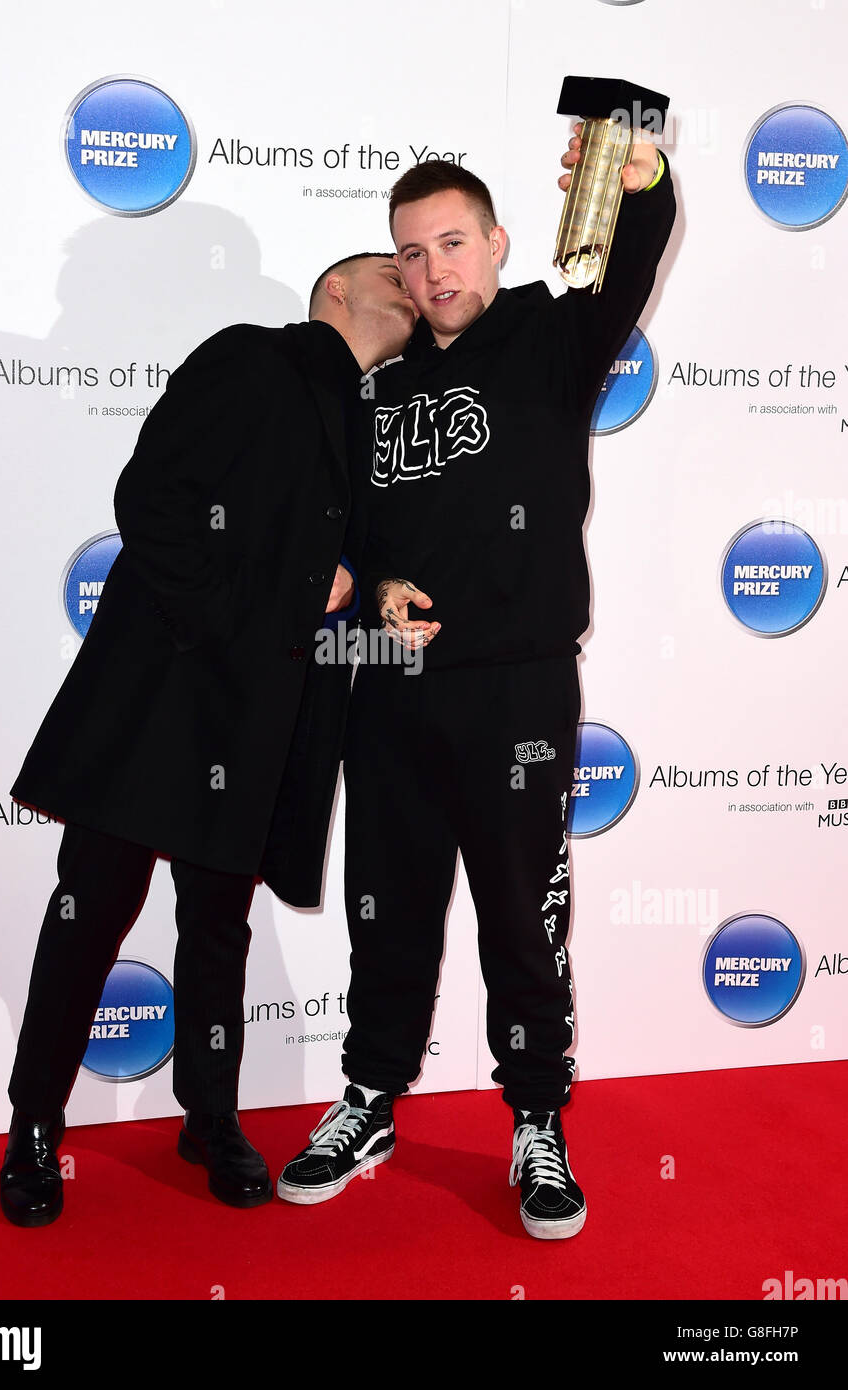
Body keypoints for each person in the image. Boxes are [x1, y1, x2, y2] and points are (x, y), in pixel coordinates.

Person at [277, 126, 676, 1238]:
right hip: (391, 689)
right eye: (409, 254)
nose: (432, 269)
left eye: (452, 242)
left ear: (497, 245)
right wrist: (367, 588)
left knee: (520, 916)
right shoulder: (374, 381)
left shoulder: (553, 334)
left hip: (516, 689)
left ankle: (536, 1118)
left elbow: (631, 254)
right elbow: (345, 533)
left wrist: (641, 186)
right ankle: (369, 1098)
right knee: (385, 914)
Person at [0, 253, 417, 1226]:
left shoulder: (373, 418)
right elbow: (150, 501)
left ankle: (211, 1118)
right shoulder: (250, 358)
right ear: (333, 296)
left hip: (261, 719)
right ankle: (32, 1125)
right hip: (161, 697)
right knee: (89, 911)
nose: (408, 281)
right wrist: (265, 604)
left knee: (218, 928)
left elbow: (355, 564)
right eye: (386, 272)